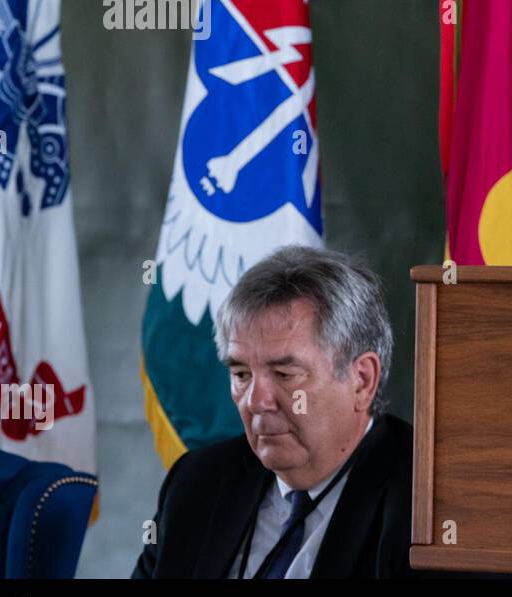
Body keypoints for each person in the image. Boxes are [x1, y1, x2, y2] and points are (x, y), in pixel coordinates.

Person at [132, 245, 411, 578]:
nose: (255, 401)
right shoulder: (197, 483)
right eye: (241, 375)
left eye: (284, 375)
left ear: (362, 381)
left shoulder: (425, 504)